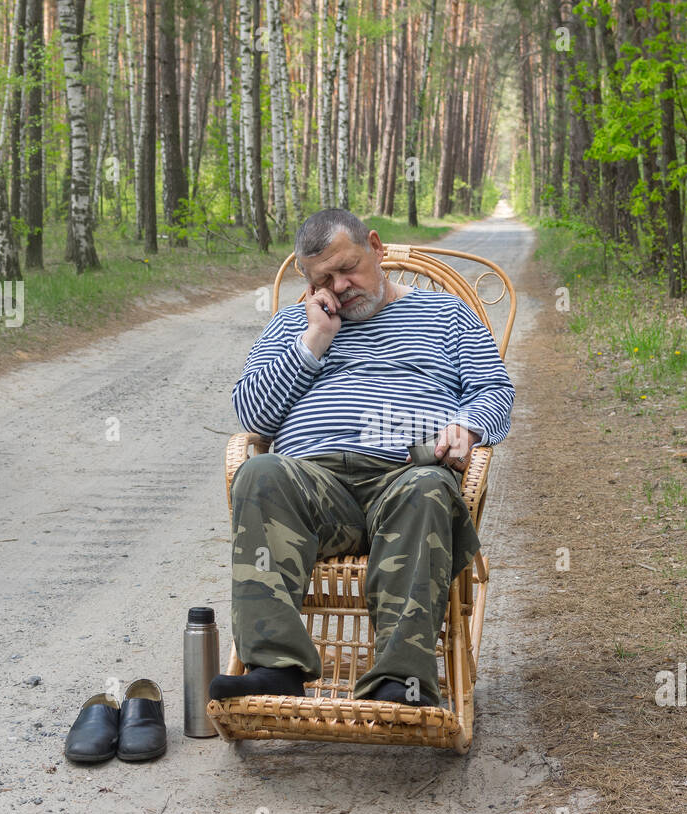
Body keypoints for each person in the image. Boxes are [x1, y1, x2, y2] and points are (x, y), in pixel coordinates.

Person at [208, 208, 514, 708]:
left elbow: (494, 391)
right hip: (315, 488)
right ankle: (274, 667)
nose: (341, 285)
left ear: (374, 245)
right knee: (258, 473)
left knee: (429, 487)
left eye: (348, 267)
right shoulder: (294, 326)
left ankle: (401, 678)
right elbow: (254, 417)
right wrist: (314, 342)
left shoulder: (447, 315)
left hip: (407, 476)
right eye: (323, 279)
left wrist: (469, 425)